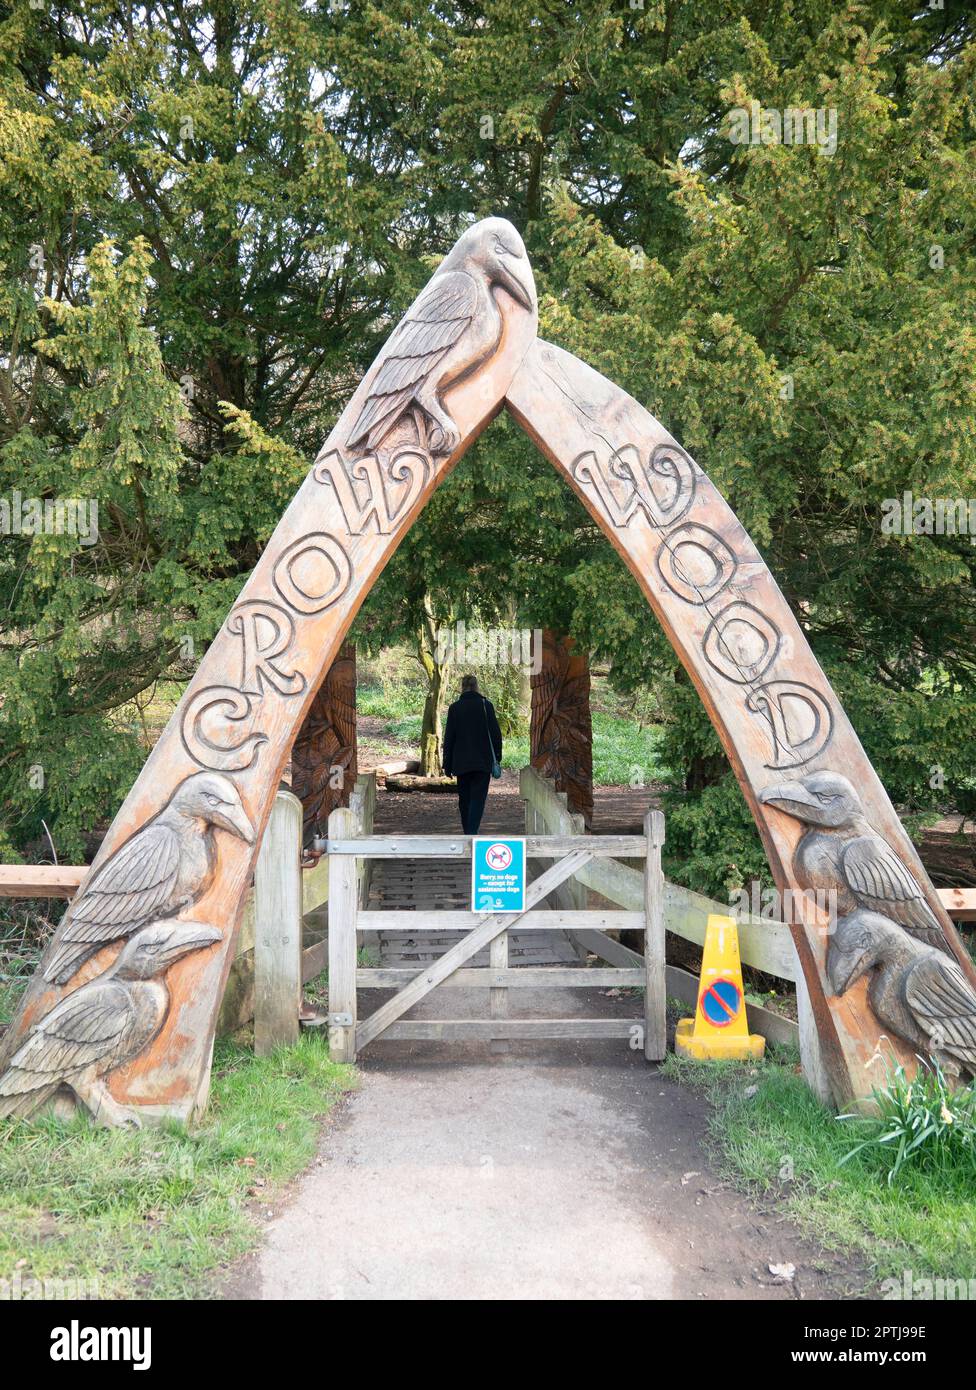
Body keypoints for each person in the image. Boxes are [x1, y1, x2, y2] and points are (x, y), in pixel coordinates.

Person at [442, 674, 503, 834]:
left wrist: (447, 764)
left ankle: (467, 832)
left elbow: (449, 738)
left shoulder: (455, 708)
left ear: (462, 687)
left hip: (461, 763)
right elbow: (496, 734)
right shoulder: (486, 705)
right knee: (478, 799)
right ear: (476, 686)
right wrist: (497, 757)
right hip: (482, 762)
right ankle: (471, 832)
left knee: (464, 800)